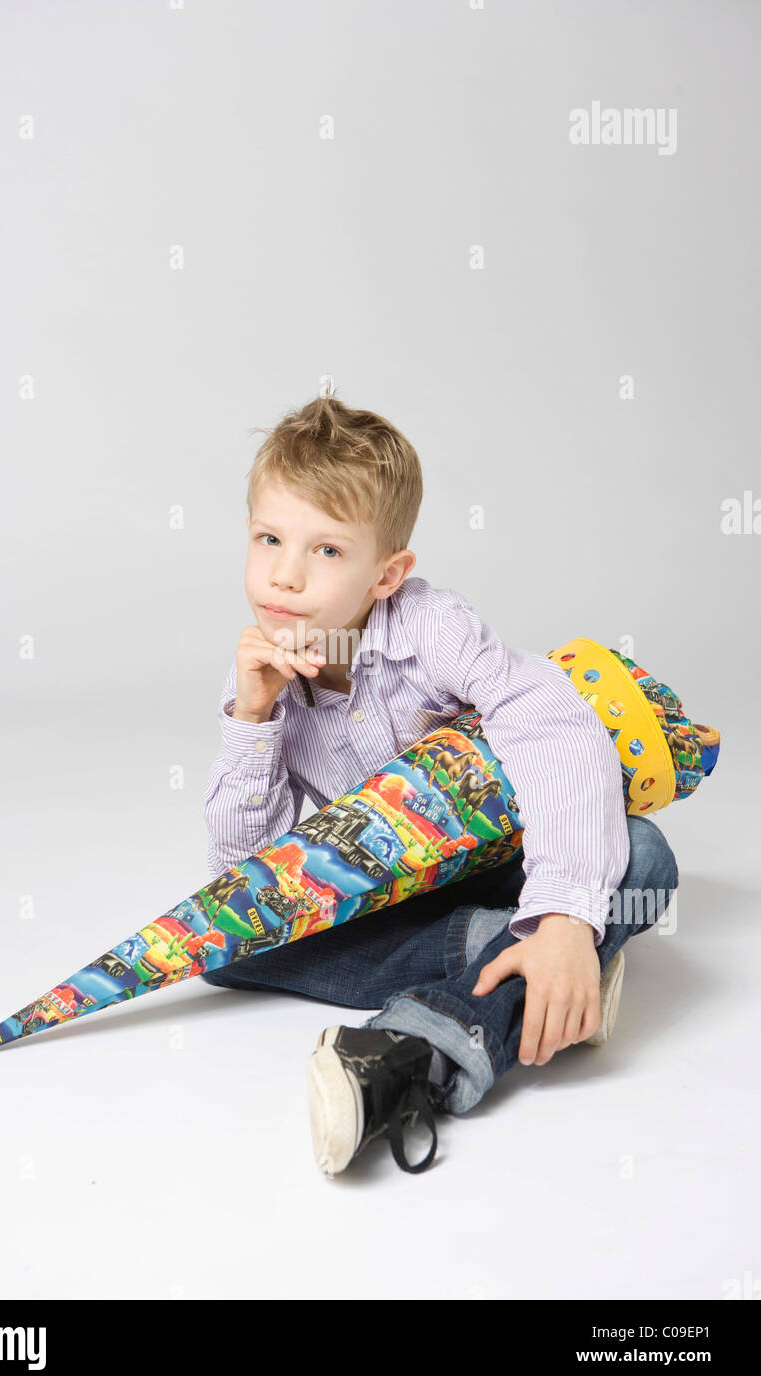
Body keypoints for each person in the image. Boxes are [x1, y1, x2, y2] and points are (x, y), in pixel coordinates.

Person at [200, 393, 679, 1177]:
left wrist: (560, 913)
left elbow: (555, 726)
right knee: (222, 946)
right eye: (269, 538)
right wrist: (252, 717)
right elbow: (252, 874)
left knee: (646, 857)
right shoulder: (262, 669)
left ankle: (411, 1053)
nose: (284, 575)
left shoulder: (434, 629)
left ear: (387, 574)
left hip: (510, 860)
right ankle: (508, 955)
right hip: (400, 892)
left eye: (326, 551)